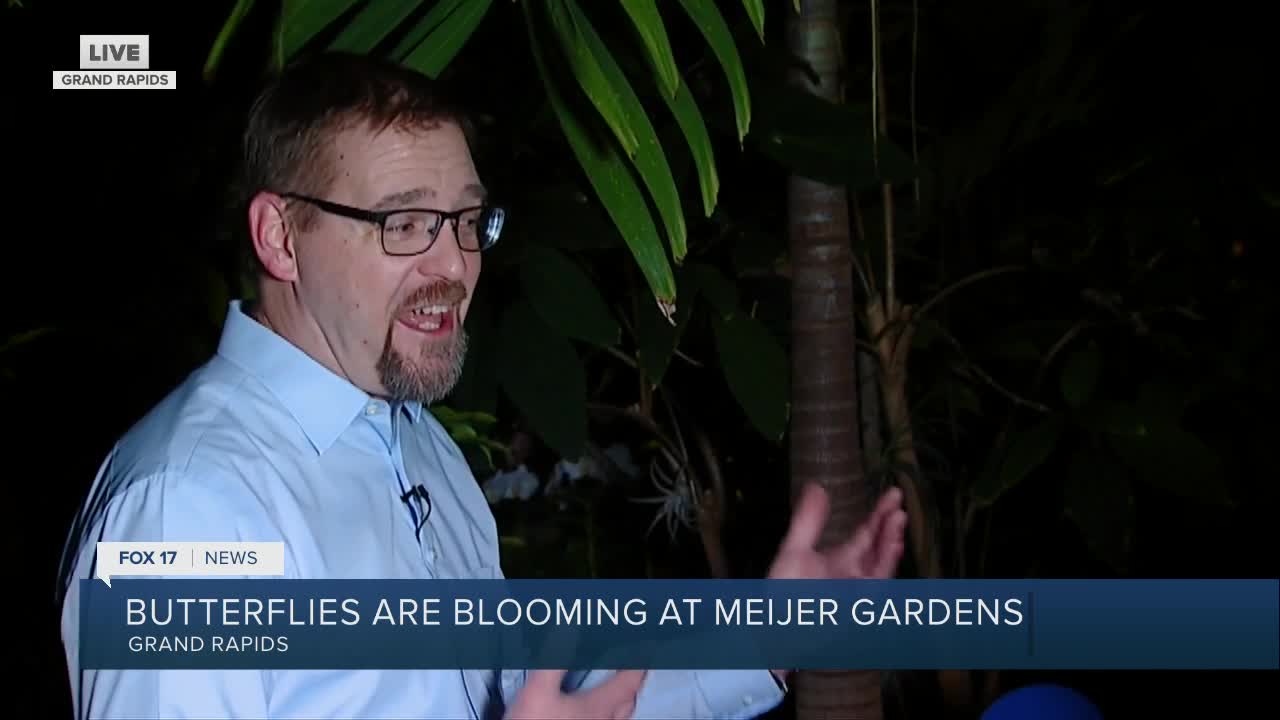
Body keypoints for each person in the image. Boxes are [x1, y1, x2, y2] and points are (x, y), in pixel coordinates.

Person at [56, 51, 908, 720]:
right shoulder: (188, 505)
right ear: (281, 237)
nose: (455, 265)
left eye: (466, 221)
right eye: (405, 223)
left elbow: (539, 697)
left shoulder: (420, 446)